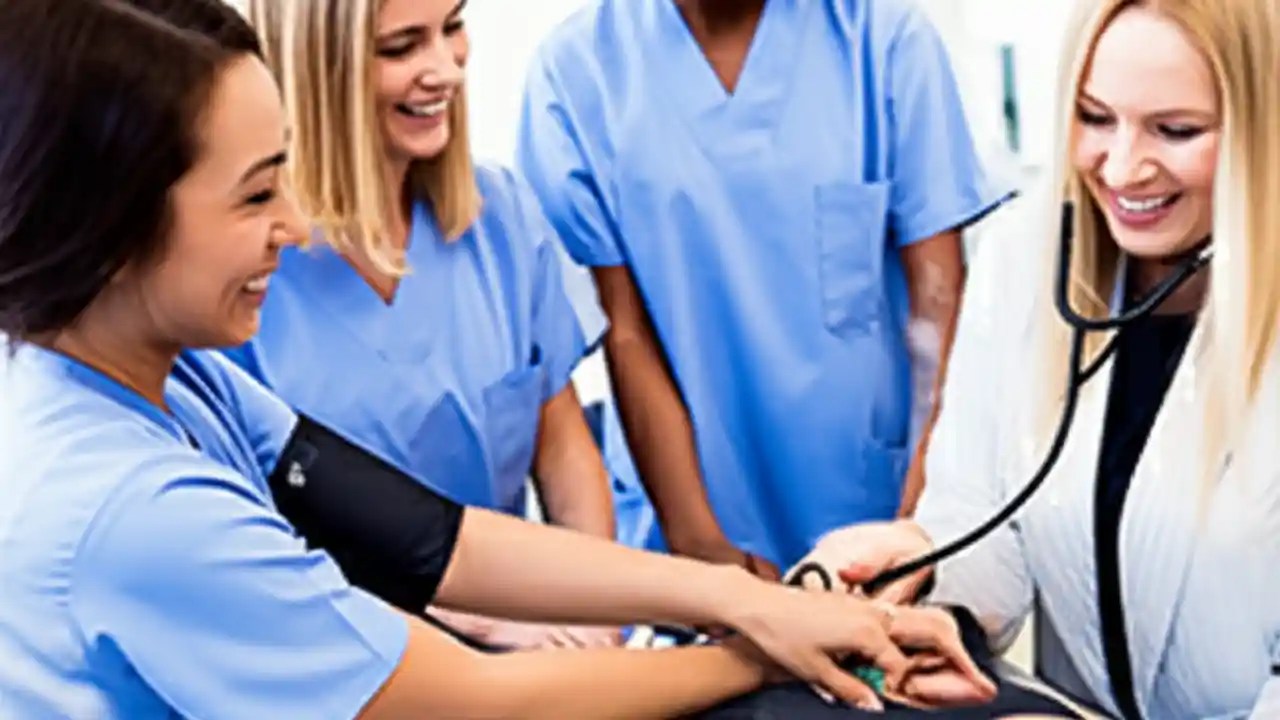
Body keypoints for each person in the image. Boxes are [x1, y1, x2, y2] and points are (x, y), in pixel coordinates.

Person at [0, 0, 998, 716]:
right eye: (258, 195)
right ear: (111, 228)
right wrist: (763, 654)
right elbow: (470, 698)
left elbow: (440, 541)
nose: (297, 226)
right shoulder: (131, 508)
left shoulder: (179, 382)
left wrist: (749, 602)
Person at [791, 0, 1280, 717]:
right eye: (1094, 117)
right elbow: (985, 510)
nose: (1121, 167)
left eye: (1175, 131)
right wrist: (925, 574)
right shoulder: (1024, 258)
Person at [515, 0, 1008, 575]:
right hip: (690, 520)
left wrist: (919, 522)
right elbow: (624, 331)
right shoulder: (580, 71)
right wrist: (698, 544)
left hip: (874, 504)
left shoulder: (884, 41)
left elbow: (939, 301)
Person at [223, 0, 619, 649]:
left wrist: (597, 619)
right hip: (344, 661)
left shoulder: (502, 224)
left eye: (453, 28)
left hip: (527, 654)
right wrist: (478, 617)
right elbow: (242, 547)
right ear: (320, 68)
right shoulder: (247, 274)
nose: (446, 69)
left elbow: (565, 454)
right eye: (402, 47)